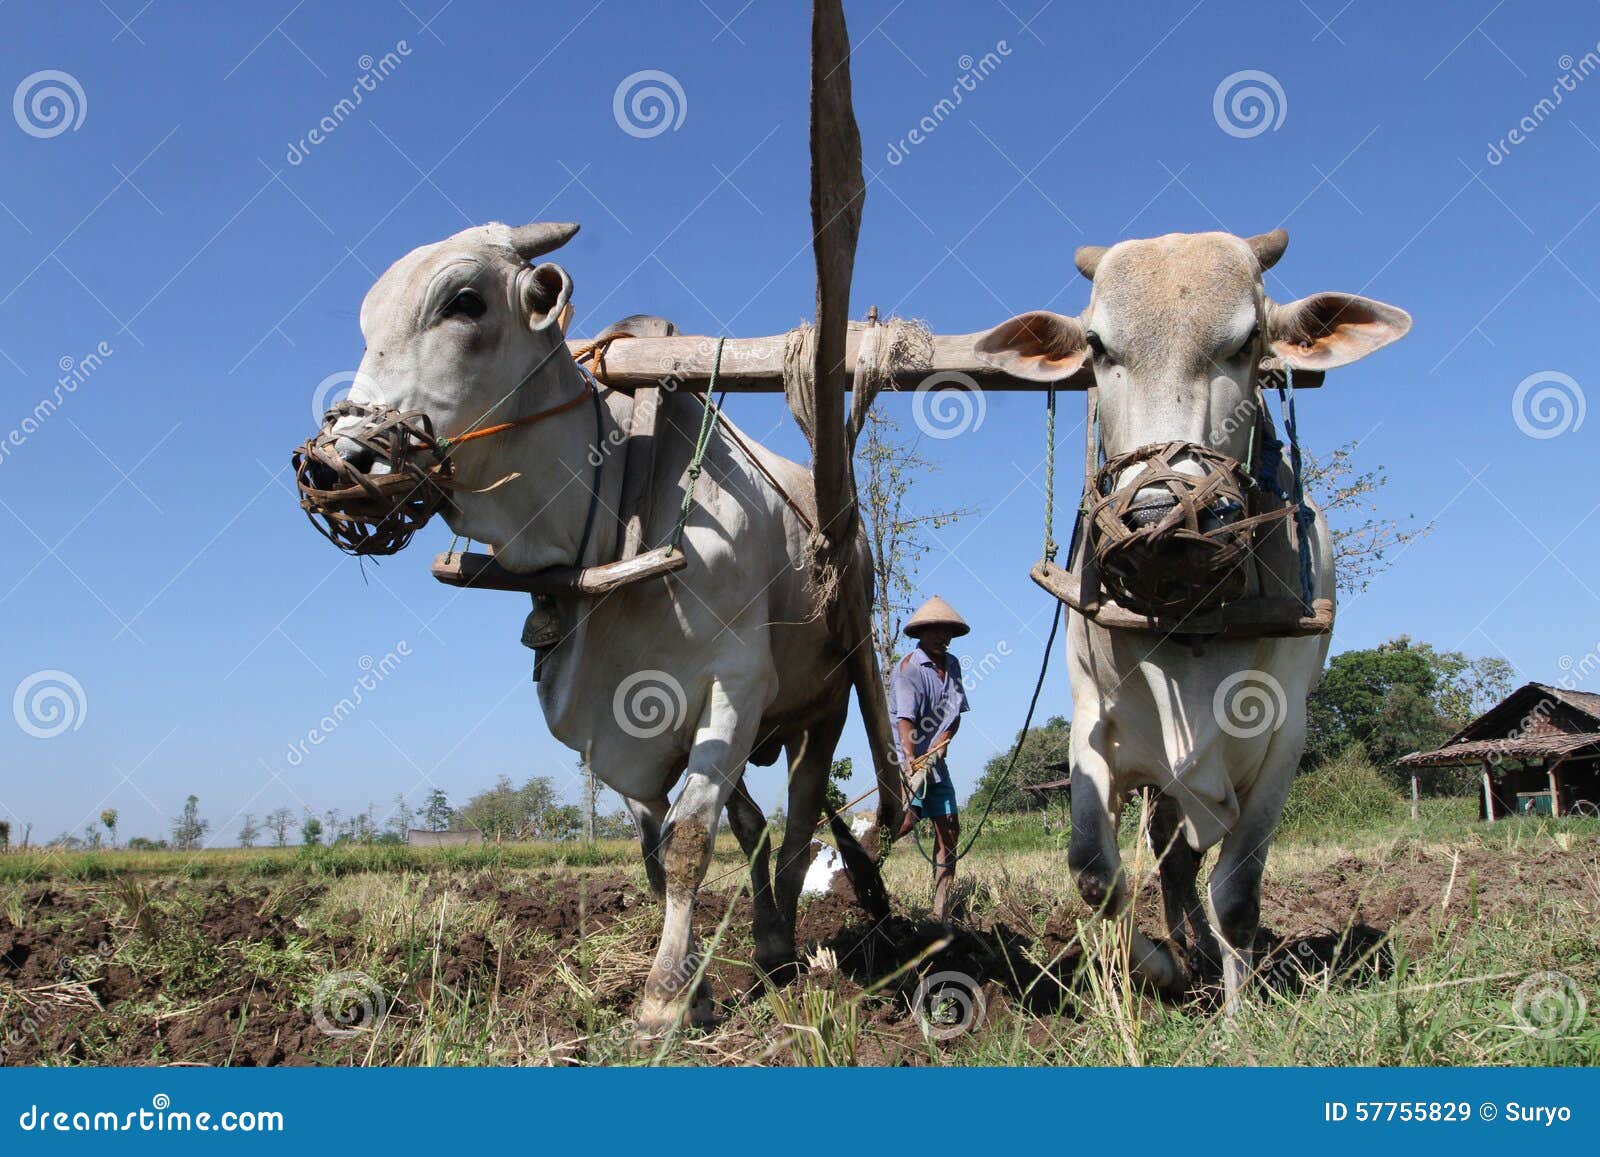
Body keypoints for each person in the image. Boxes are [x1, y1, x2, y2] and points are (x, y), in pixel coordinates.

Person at [890, 595, 970, 923]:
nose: (943, 637)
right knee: (904, 823)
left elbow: (955, 715)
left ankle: (941, 910)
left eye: (947, 632)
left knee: (950, 828)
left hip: (936, 761)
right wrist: (912, 760)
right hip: (907, 758)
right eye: (936, 631)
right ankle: (857, 871)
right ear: (922, 633)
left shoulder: (952, 666)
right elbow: (904, 720)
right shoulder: (909, 668)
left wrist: (942, 741)